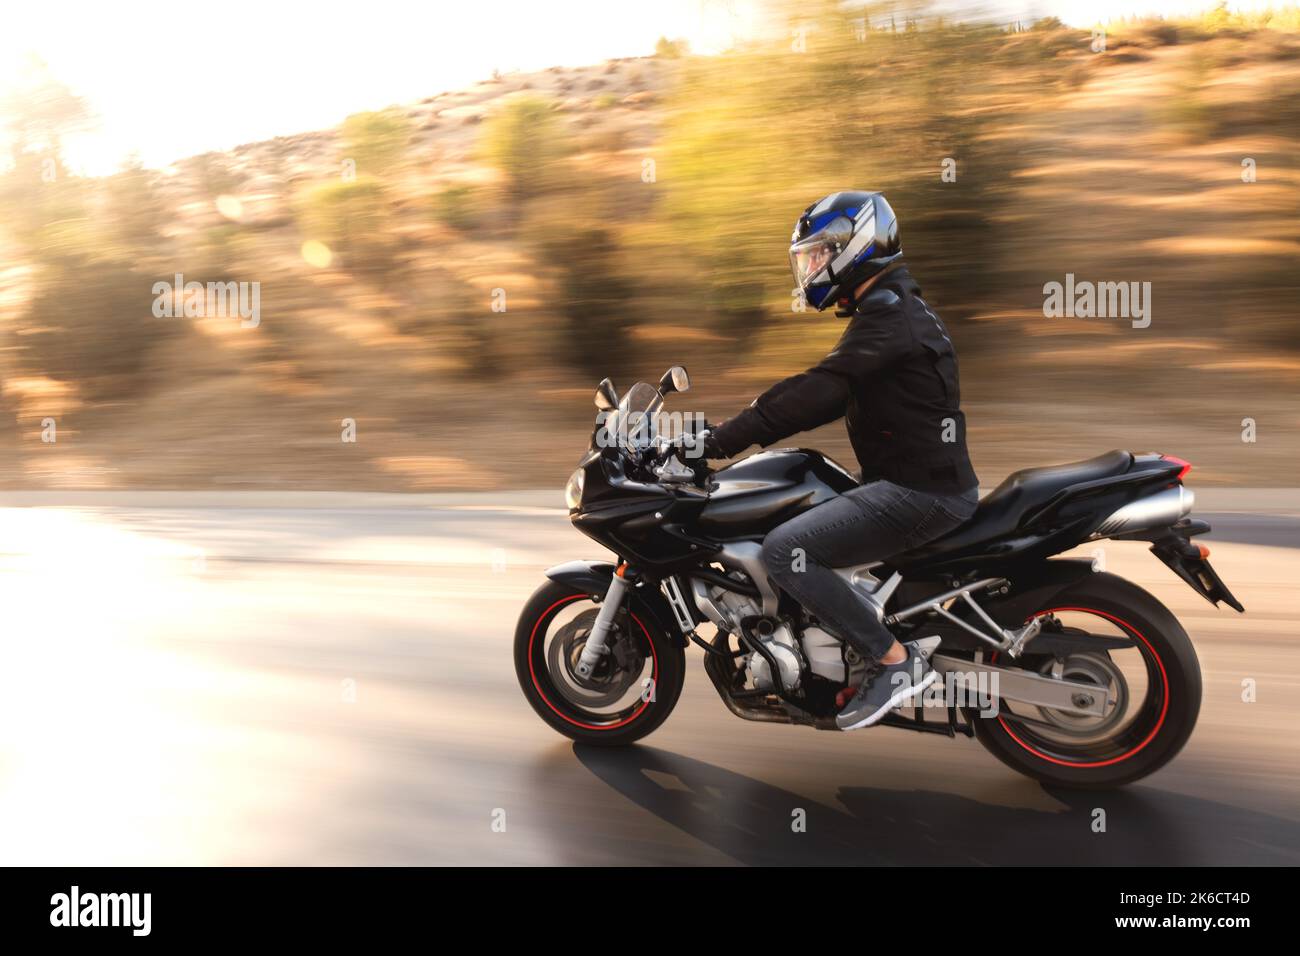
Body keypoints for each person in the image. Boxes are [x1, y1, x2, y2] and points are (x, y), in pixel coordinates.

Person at [702, 191, 980, 731]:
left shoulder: (889, 318)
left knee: (787, 550)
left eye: (817, 255)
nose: (811, 269)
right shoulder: (892, 309)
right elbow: (828, 388)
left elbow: (816, 392)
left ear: (853, 248)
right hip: (914, 482)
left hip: (919, 493)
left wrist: (718, 440)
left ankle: (893, 662)